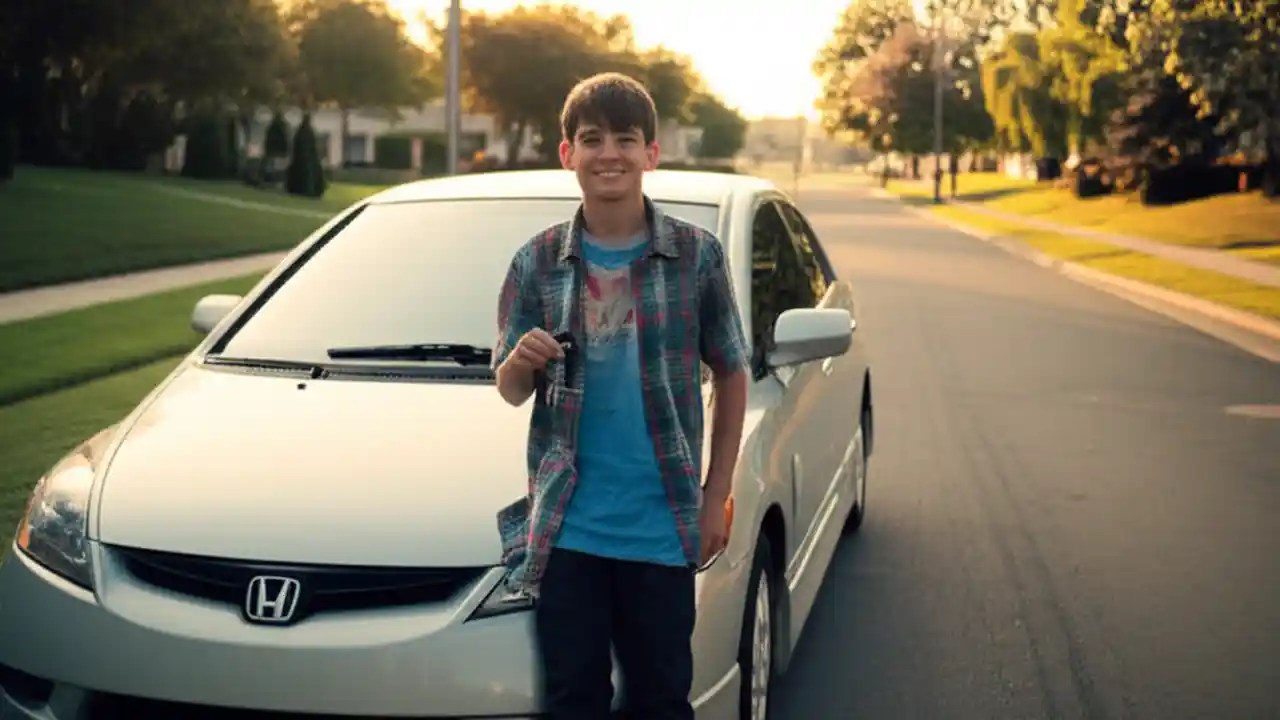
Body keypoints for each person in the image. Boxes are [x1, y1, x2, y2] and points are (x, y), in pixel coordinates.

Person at [491, 72, 750, 720]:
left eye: (626, 139)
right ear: (567, 154)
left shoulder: (698, 257)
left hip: (661, 524)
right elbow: (509, 389)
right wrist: (520, 361)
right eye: (592, 138)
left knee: (661, 700)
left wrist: (716, 494)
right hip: (568, 528)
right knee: (573, 700)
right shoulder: (537, 261)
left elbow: (734, 371)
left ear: (651, 154)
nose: (609, 152)